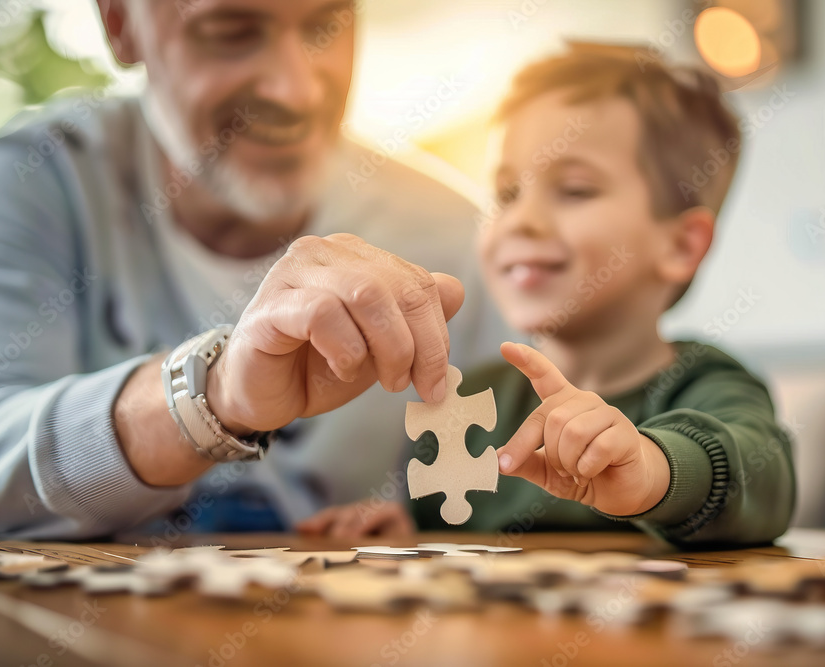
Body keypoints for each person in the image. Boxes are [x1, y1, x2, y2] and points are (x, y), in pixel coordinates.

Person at [0, 0, 508, 539]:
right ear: (120, 23)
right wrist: (212, 395)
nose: (295, 90)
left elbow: (525, 483)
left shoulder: (456, 234)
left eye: (327, 23)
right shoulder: (39, 179)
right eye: (229, 31)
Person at [298, 43, 796, 545]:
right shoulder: (464, 398)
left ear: (681, 244)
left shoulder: (707, 384)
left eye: (575, 190)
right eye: (508, 194)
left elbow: (759, 477)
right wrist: (405, 530)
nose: (522, 220)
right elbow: (453, 538)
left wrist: (655, 470)